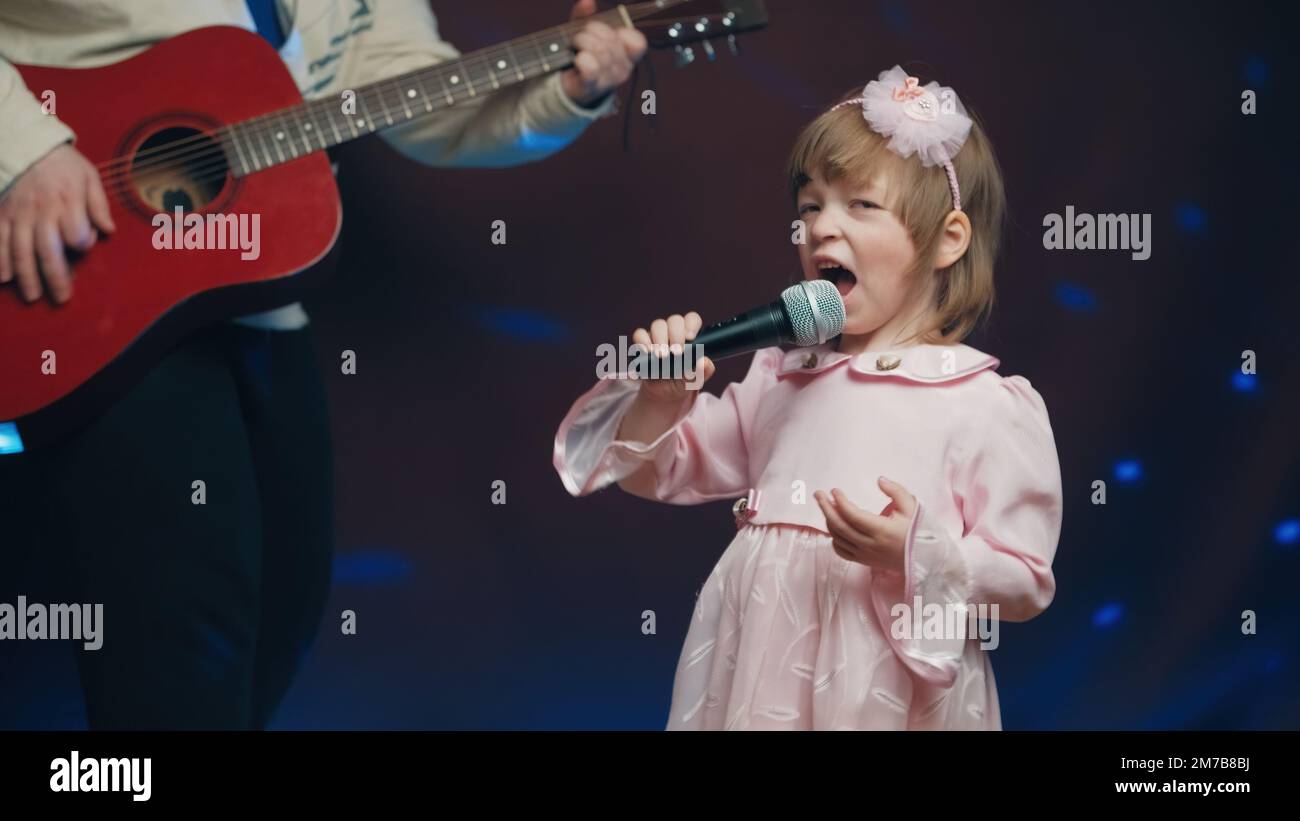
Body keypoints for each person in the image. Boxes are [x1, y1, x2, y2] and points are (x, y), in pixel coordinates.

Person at [0, 0, 646, 730]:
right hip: (83, 286)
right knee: (177, 652)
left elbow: (412, 91)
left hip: (258, 300)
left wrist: (569, 88)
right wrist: (24, 151)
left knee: (281, 615)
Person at [553, 65, 1064, 730]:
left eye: (861, 205)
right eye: (810, 207)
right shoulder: (780, 375)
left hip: (883, 691)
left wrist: (919, 551)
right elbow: (659, 469)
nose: (822, 227)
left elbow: (1024, 580)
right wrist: (659, 395)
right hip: (762, 674)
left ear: (948, 239)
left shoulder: (981, 401)